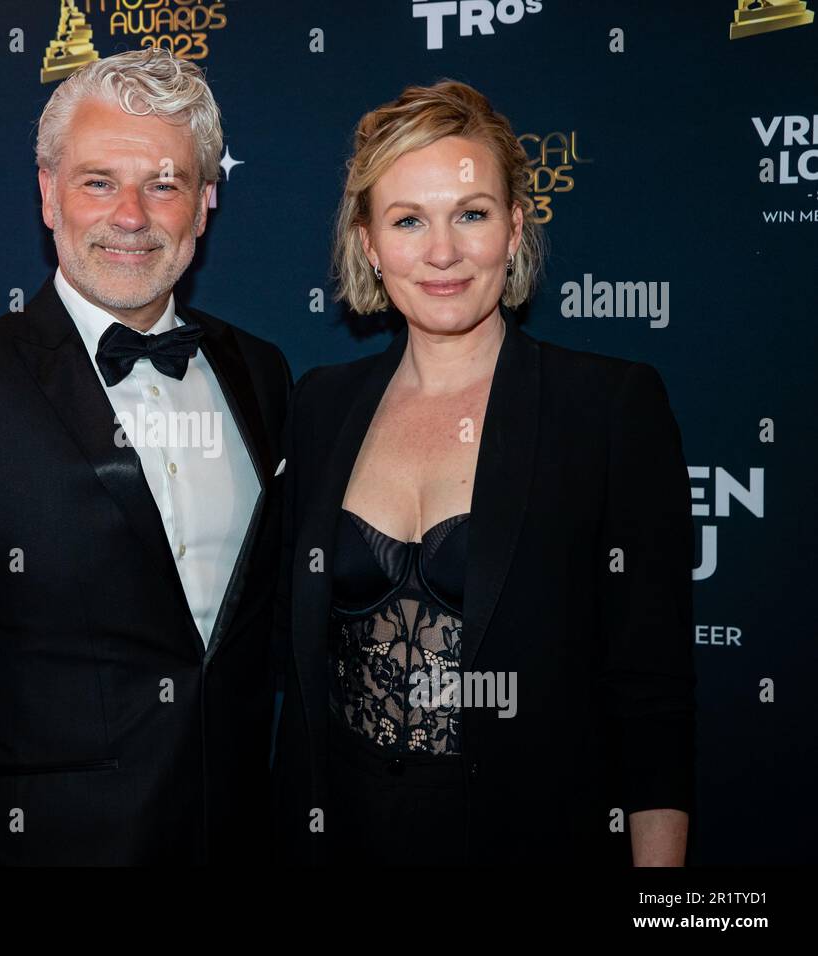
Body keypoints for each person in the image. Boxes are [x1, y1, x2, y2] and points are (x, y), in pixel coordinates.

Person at [0, 48, 290, 865]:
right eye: (97, 182)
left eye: (164, 183)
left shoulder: (259, 373)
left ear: (205, 202)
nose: (131, 215)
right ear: (49, 196)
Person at [271, 80, 696, 865]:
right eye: (408, 220)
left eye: (471, 213)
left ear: (514, 228)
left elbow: (651, 683)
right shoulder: (320, 406)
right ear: (369, 243)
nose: (442, 252)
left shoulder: (606, 407)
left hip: (532, 838)